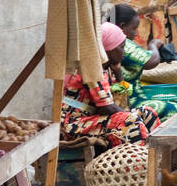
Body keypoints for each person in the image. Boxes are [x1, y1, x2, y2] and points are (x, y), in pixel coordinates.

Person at [60, 22, 162, 151]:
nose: (124, 52)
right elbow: (107, 107)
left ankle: (157, 156)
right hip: (74, 124)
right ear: (108, 49)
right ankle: (141, 163)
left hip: (91, 119)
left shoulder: (106, 68)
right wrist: (130, 115)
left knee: (148, 112)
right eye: (121, 47)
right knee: (131, 120)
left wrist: (118, 72)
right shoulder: (92, 69)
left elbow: (122, 100)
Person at [111, 4, 177, 119]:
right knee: (175, 109)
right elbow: (150, 61)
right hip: (130, 101)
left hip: (129, 97)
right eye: (133, 28)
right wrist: (153, 45)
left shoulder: (114, 41)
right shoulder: (121, 44)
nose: (136, 33)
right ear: (122, 27)